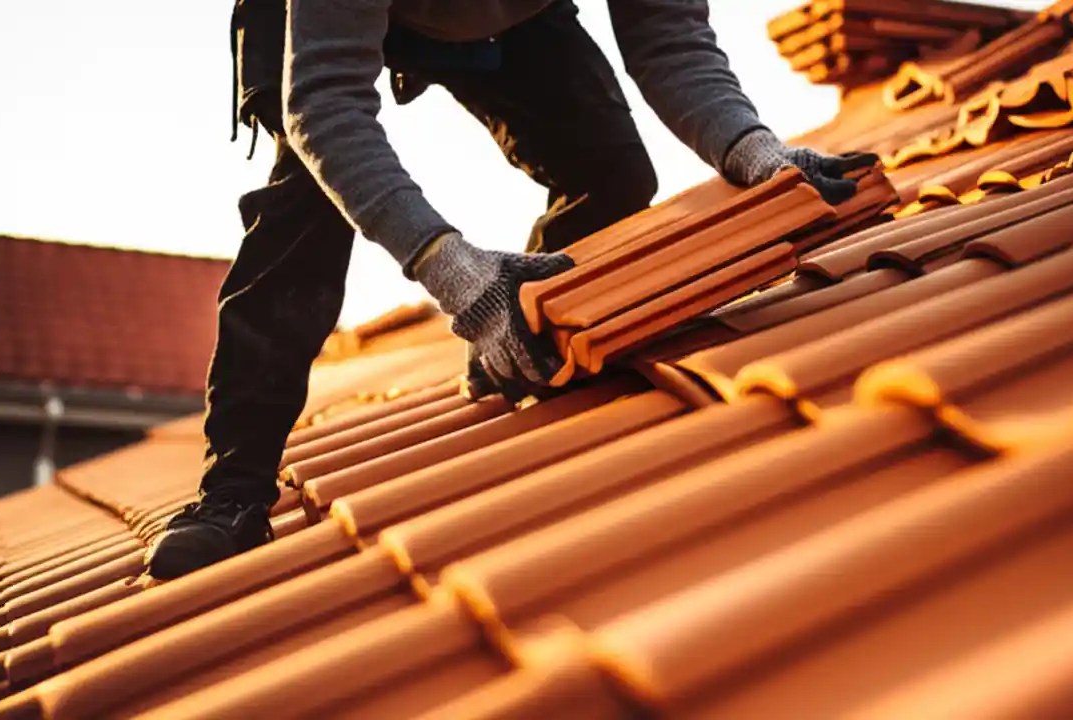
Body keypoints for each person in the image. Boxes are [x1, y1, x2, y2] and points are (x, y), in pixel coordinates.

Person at [145, 0, 875, 579]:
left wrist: (755, 150)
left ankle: (516, 339)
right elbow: (325, 106)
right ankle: (232, 493)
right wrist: (461, 280)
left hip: (509, 22)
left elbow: (672, 43)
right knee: (303, 219)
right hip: (316, 32)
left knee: (611, 172)